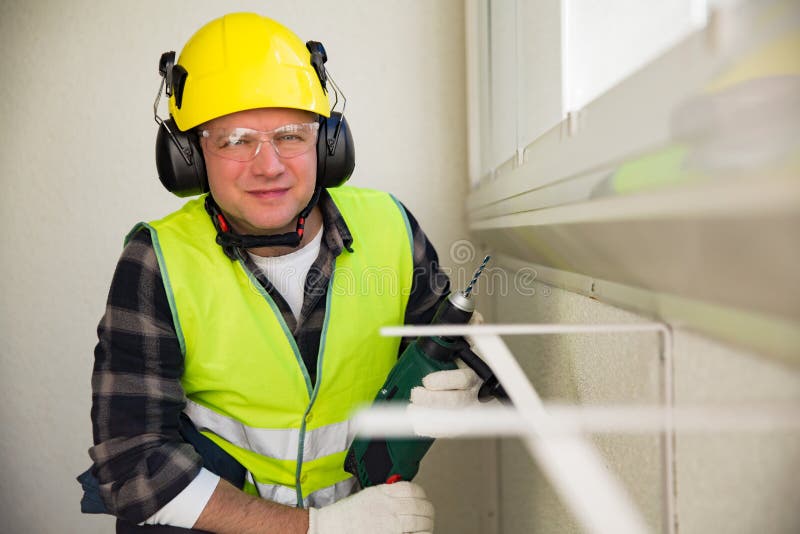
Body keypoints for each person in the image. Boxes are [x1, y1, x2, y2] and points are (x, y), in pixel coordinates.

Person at [83, 12, 482, 534]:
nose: (268, 165)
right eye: (234, 140)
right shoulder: (156, 259)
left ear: (328, 143)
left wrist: (469, 377)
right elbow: (131, 466)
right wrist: (314, 527)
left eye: (291, 135)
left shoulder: (390, 227)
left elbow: (445, 345)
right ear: (189, 156)